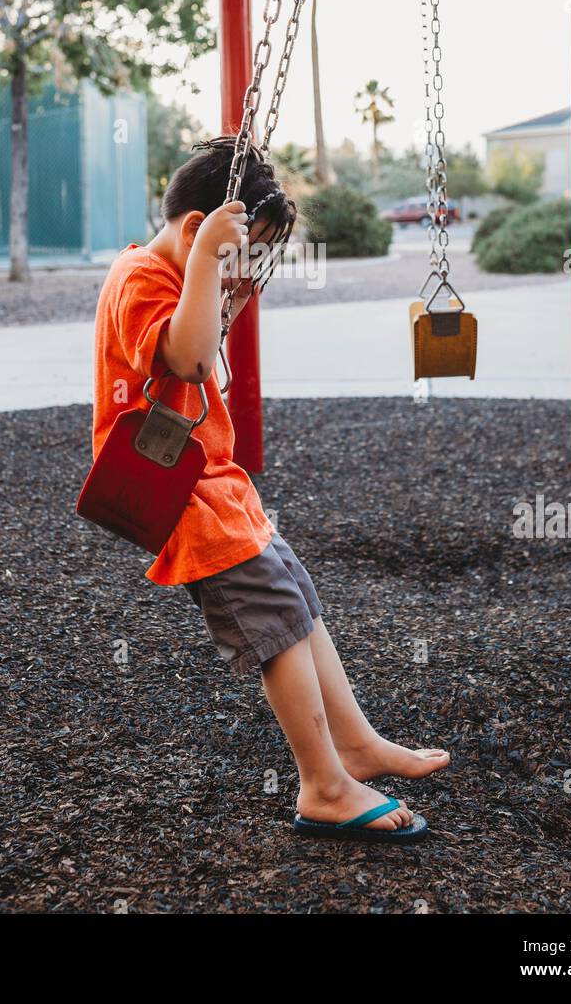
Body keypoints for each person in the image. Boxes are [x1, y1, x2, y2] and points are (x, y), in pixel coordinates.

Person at [93, 136, 449, 843]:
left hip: (216, 481)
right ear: (198, 232)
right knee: (275, 625)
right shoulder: (141, 277)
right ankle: (322, 785)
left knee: (296, 598)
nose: (242, 272)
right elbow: (191, 359)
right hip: (180, 490)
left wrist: (217, 278)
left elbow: (203, 356)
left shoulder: (176, 272)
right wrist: (204, 267)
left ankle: (355, 743)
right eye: (239, 252)